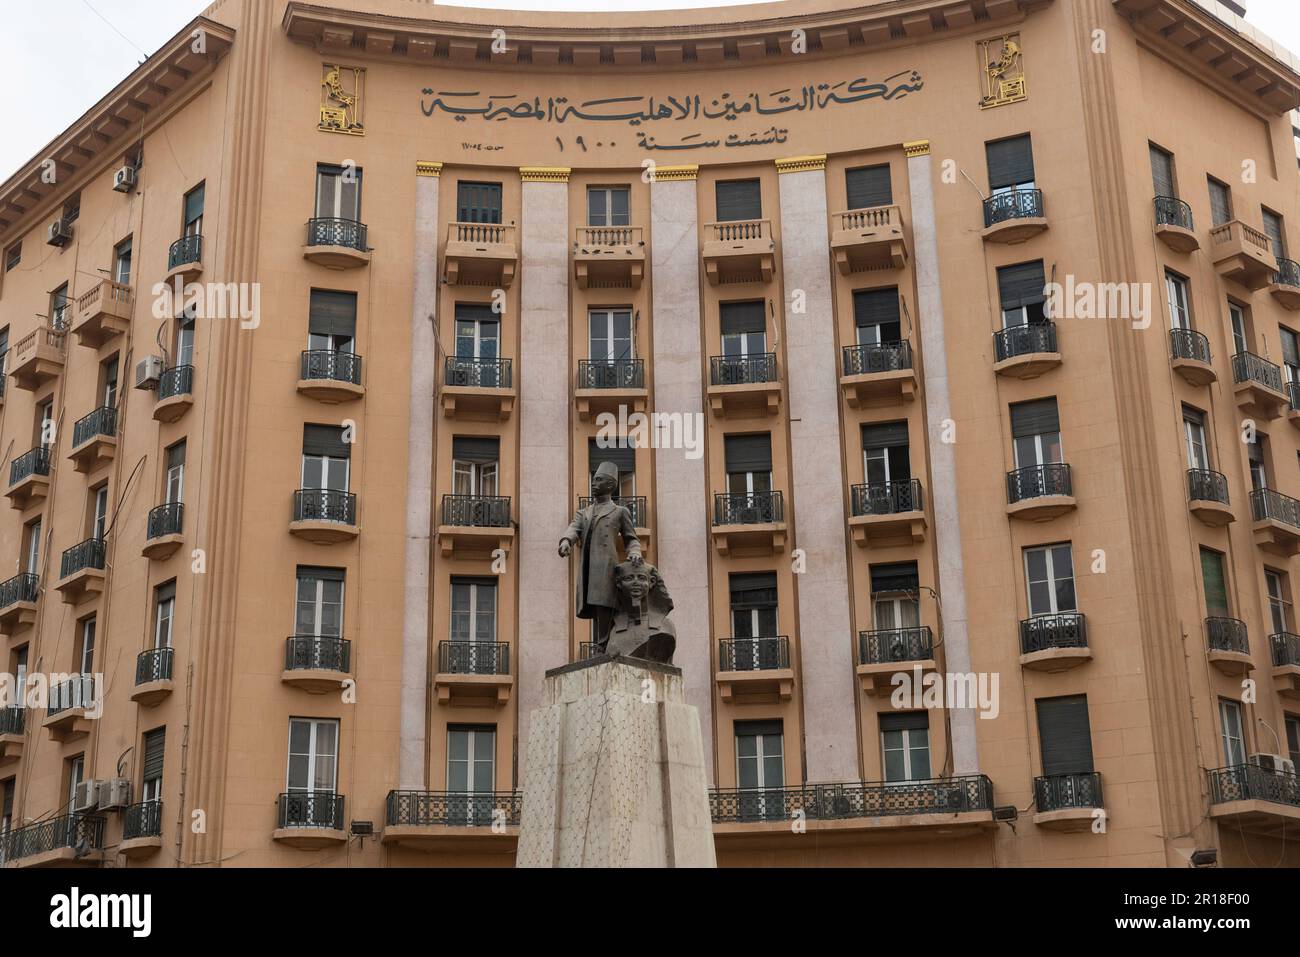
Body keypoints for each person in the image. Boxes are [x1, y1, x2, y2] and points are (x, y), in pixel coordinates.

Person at [557, 461, 643, 653]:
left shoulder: (620, 511)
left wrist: (635, 552)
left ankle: (603, 646)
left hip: (606, 565)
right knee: (595, 606)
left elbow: (631, 539)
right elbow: (573, 528)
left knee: (604, 604)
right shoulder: (584, 512)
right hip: (588, 566)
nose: (593, 484)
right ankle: (604, 644)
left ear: (611, 485)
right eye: (593, 480)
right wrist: (566, 541)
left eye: (598, 480)